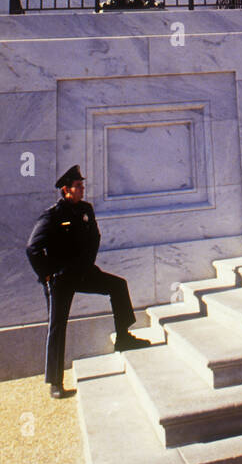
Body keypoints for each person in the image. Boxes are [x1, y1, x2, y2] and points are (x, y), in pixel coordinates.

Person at [26, 165, 150, 398]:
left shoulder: (86, 209)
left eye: (83, 186)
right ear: (66, 190)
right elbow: (32, 248)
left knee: (118, 286)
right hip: (60, 279)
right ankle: (55, 383)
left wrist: (88, 264)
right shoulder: (52, 215)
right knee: (57, 326)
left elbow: (94, 237)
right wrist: (46, 275)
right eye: (78, 187)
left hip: (83, 273)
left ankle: (123, 338)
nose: (83, 190)